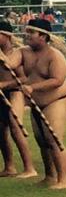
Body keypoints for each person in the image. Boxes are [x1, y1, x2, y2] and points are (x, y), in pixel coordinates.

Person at [5, 18, 66, 188]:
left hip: (56, 101)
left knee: (53, 139)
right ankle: (50, 176)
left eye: (31, 33)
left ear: (43, 36)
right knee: (42, 140)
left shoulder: (55, 56)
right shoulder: (23, 52)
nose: (27, 35)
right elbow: (9, 63)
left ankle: (63, 180)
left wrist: (33, 87)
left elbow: (57, 80)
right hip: (36, 103)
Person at [0, 20, 36, 178]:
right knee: (1, 130)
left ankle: (29, 168)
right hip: (1, 95)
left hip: (15, 92)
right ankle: (9, 166)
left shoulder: (16, 54)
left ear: (6, 36)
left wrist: (5, 84)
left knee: (16, 126)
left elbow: (25, 78)